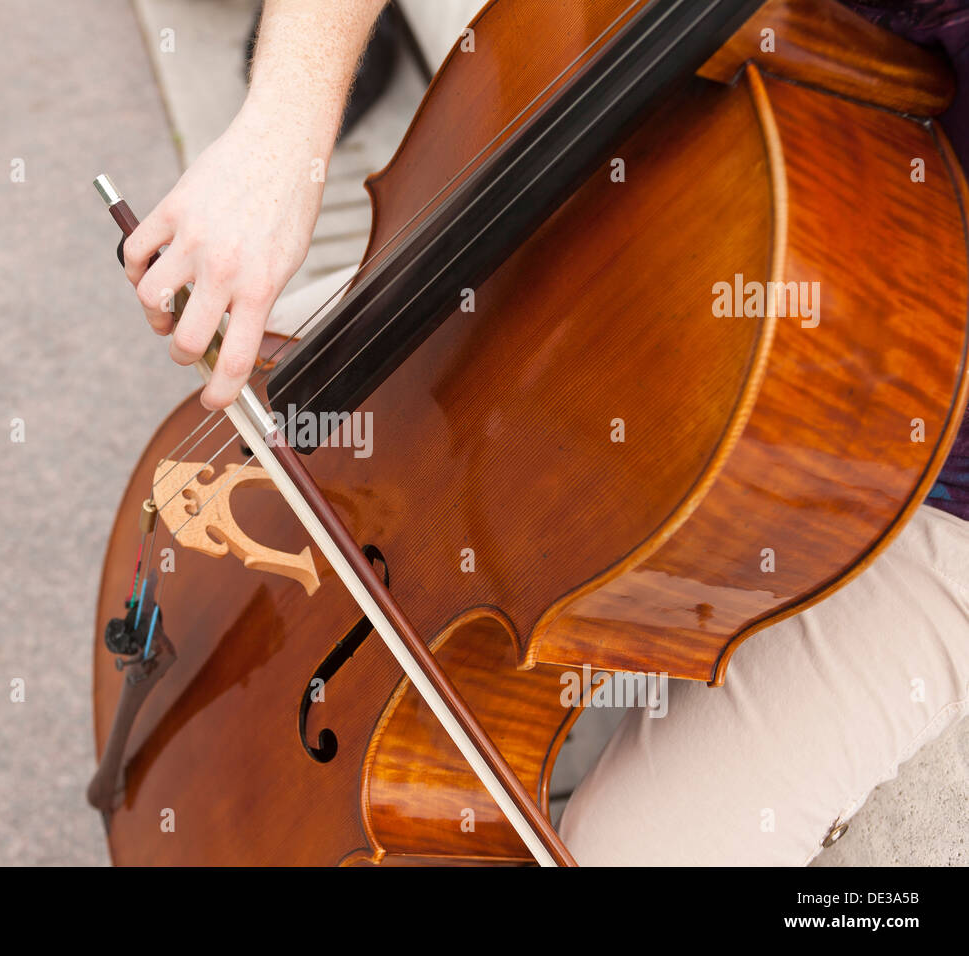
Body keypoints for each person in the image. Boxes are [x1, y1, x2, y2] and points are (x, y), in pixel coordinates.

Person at [121, 0, 969, 864]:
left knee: (637, 851)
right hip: (611, 208)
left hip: (896, 429)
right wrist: (280, 136)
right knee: (243, 381)